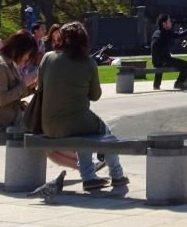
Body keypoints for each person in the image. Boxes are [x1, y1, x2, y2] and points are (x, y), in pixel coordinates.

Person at [38, 21, 128, 191]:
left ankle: (89, 177)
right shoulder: (88, 63)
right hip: (76, 121)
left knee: (86, 130)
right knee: (106, 132)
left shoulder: (48, 58)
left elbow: (40, 88)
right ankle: (117, 175)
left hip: (49, 124)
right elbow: (95, 96)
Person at [0, 30, 39, 132]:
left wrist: (30, 87)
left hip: (7, 113)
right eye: (27, 54)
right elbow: (1, 100)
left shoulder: (8, 64)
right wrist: (24, 84)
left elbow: (13, 93)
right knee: (42, 121)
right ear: (19, 49)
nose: (27, 58)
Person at [150, 11, 187, 89]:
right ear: (164, 24)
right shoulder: (166, 33)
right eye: (169, 21)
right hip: (164, 60)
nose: (171, 22)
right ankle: (178, 83)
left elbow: (158, 49)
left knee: (160, 65)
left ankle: (156, 85)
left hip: (156, 61)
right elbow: (180, 35)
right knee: (186, 65)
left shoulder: (157, 32)